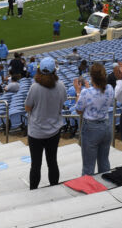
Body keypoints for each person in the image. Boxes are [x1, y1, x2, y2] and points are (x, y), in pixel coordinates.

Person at [24, 57, 65, 189]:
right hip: (53, 131)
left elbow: (28, 107)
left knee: (36, 164)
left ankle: (33, 190)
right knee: (52, 161)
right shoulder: (61, 85)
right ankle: (54, 187)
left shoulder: (35, 87)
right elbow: (62, 102)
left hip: (37, 132)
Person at [74, 63, 114, 176]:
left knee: (88, 166)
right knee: (104, 161)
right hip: (106, 126)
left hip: (91, 129)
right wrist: (89, 89)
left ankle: (89, 191)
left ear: (92, 77)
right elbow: (102, 97)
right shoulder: (110, 88)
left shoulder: (86, 92)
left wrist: (78, 91)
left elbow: (78, 110)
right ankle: (106, 185)